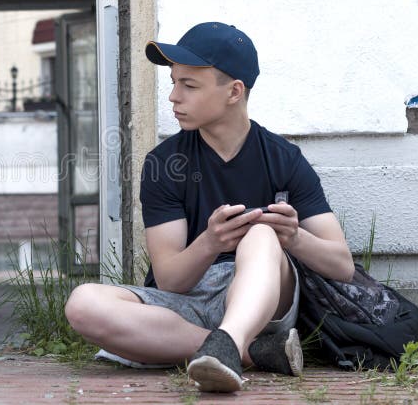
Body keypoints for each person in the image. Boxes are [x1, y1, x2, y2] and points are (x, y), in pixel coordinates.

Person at [64, 22, 355, 393]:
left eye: (189, 85)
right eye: (173, 82)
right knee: (83, 303)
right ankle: (249, 353)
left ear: (234, 91)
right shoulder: (163, 162)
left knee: (262, 233)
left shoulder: (285, 159)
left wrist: (294, 237)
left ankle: (231, 342)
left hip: (260, 301)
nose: (173, 96)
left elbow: (342, 266)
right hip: (186, 304)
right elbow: (170, 281)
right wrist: (210, 242)